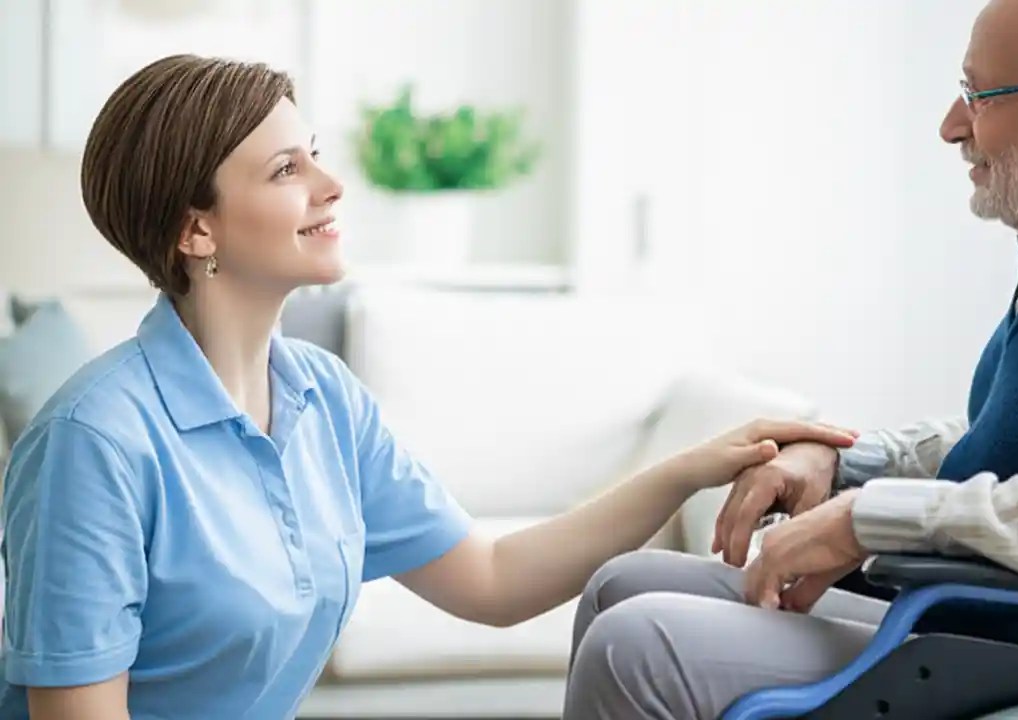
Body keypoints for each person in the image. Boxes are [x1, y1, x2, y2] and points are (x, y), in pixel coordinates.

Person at [0, 54, 858, 720]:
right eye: (285, 170)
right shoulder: (93, 444)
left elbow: (492, 578)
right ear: (196, 229)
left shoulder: (323, 399)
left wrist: (686, 468)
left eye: (317, 158)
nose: (332, 188)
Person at [562, 0, 1018, 717]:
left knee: (635, 643)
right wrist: (841, 465)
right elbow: (1000, 439)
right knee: (621, 584)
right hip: (982, 621)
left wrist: (861, 519)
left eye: (979, 96)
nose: (951, 126)